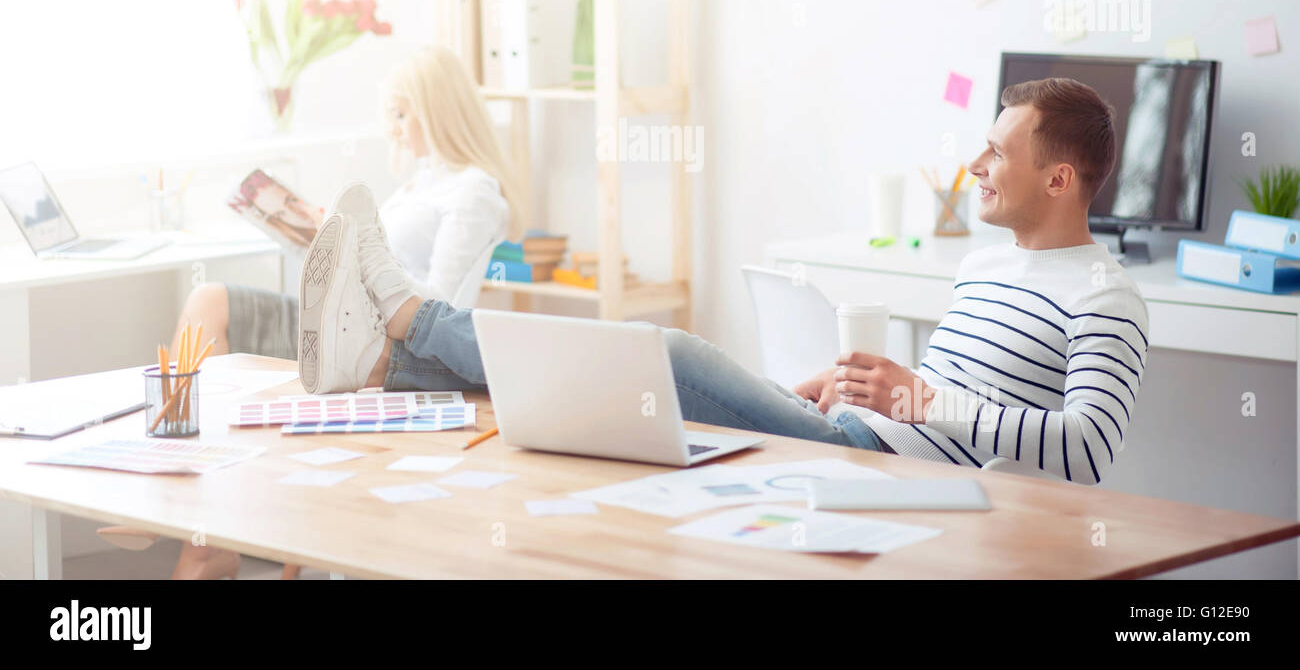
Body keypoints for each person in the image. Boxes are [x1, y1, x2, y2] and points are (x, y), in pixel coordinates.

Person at [303, 76, 1149, 485]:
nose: (977, 163)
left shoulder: (1104, 295)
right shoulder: (987, 261)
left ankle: (409, 312)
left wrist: (918, 401)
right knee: (598, 405)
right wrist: (854, 384)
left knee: (661, 357)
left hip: (888, 461)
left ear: (1060, 178)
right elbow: (946, 393)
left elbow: (1088, 446)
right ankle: (386, 365)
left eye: (999, 151)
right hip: (861, 428)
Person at [163, 45, 523, 578]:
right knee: (208, 300)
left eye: (403, 113)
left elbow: (439, 306)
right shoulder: (420, 184)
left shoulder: (475, 193)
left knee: (214, 304)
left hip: (384, 340)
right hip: (344, 315)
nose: (394, 128)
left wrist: (367, 262)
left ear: (439, 109)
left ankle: (201, 527)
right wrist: (313, 240)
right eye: (391, 115)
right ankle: (183, 477)